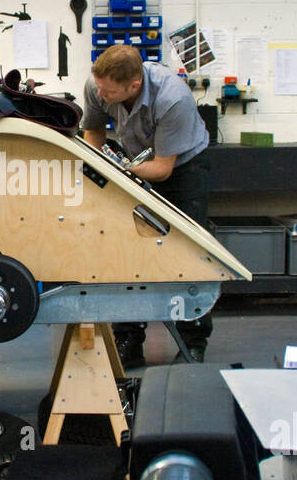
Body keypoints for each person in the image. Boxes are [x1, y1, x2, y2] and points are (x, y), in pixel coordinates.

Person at [80, 44, 213, 368]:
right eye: (99, 87)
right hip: (135, 159)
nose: (101, 94)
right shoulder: (98, 86)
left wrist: (119, 171)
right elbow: (94, 130)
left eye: (108, 91)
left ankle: (193, 341)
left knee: (188, 250)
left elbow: (163, 169)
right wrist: (93, 166)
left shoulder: (173, 98)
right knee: (127, 248)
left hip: (182, 166)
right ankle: (128, 337)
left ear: (134, 86)